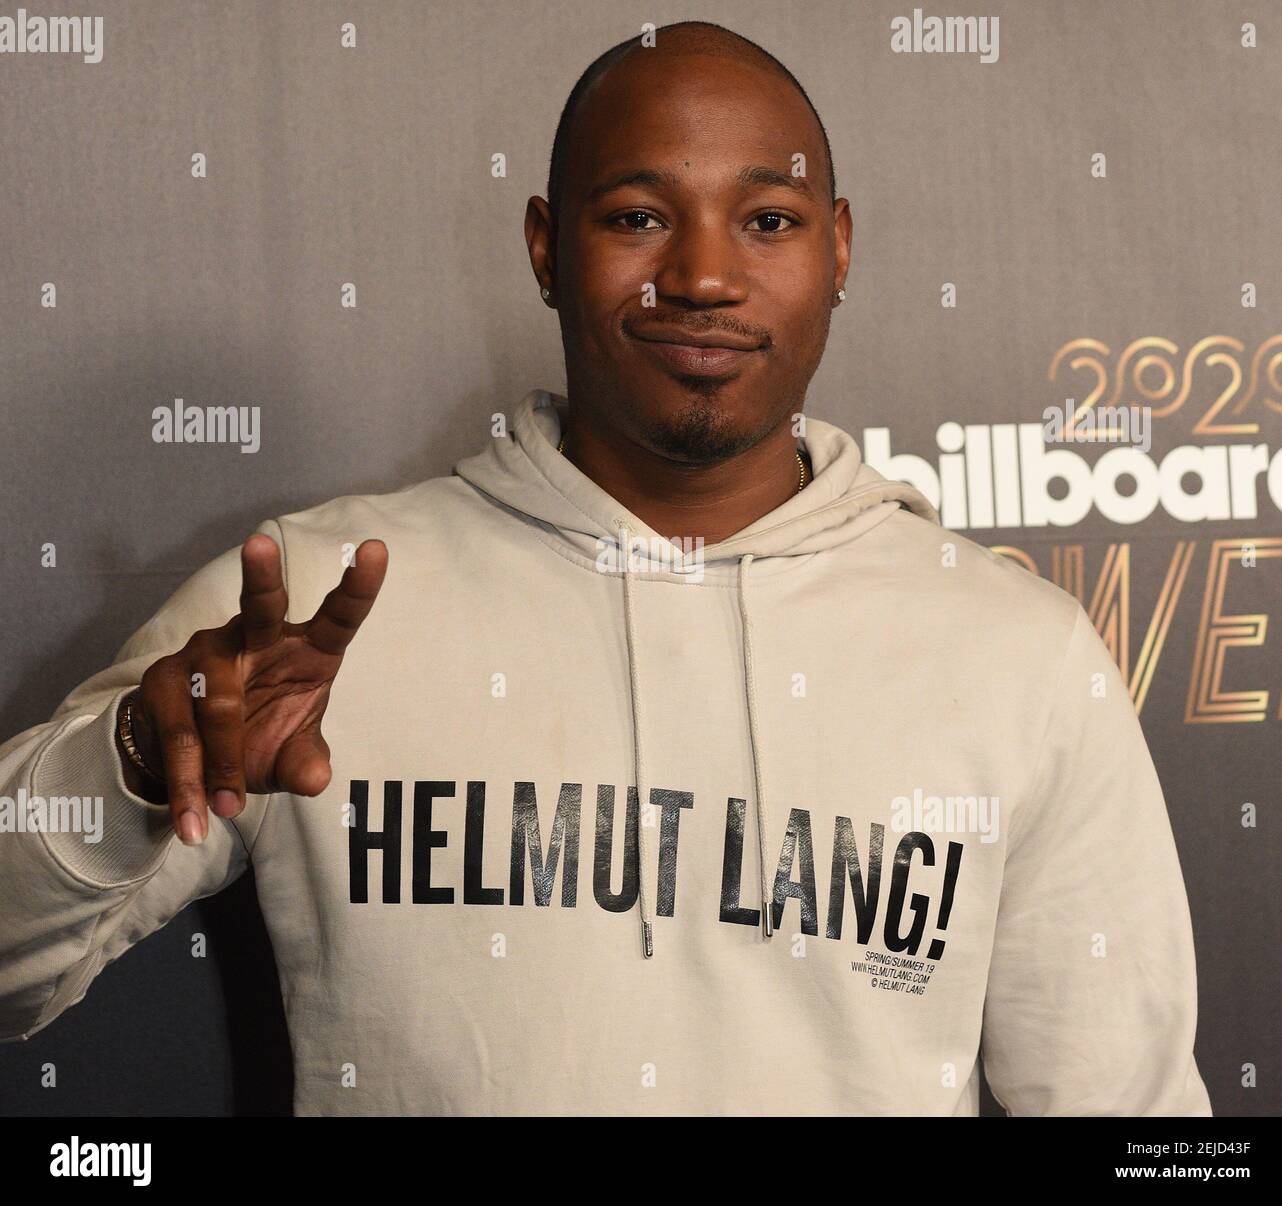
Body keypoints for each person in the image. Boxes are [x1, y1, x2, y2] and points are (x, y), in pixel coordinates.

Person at [0, 20, 1211, 1116]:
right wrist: (131, 768)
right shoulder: (311, 606)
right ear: (543, 245)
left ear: (838, 249)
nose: (701, 276)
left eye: (769, 221)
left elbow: (1133, 1116)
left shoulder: (1017, 652)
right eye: (635, 215)